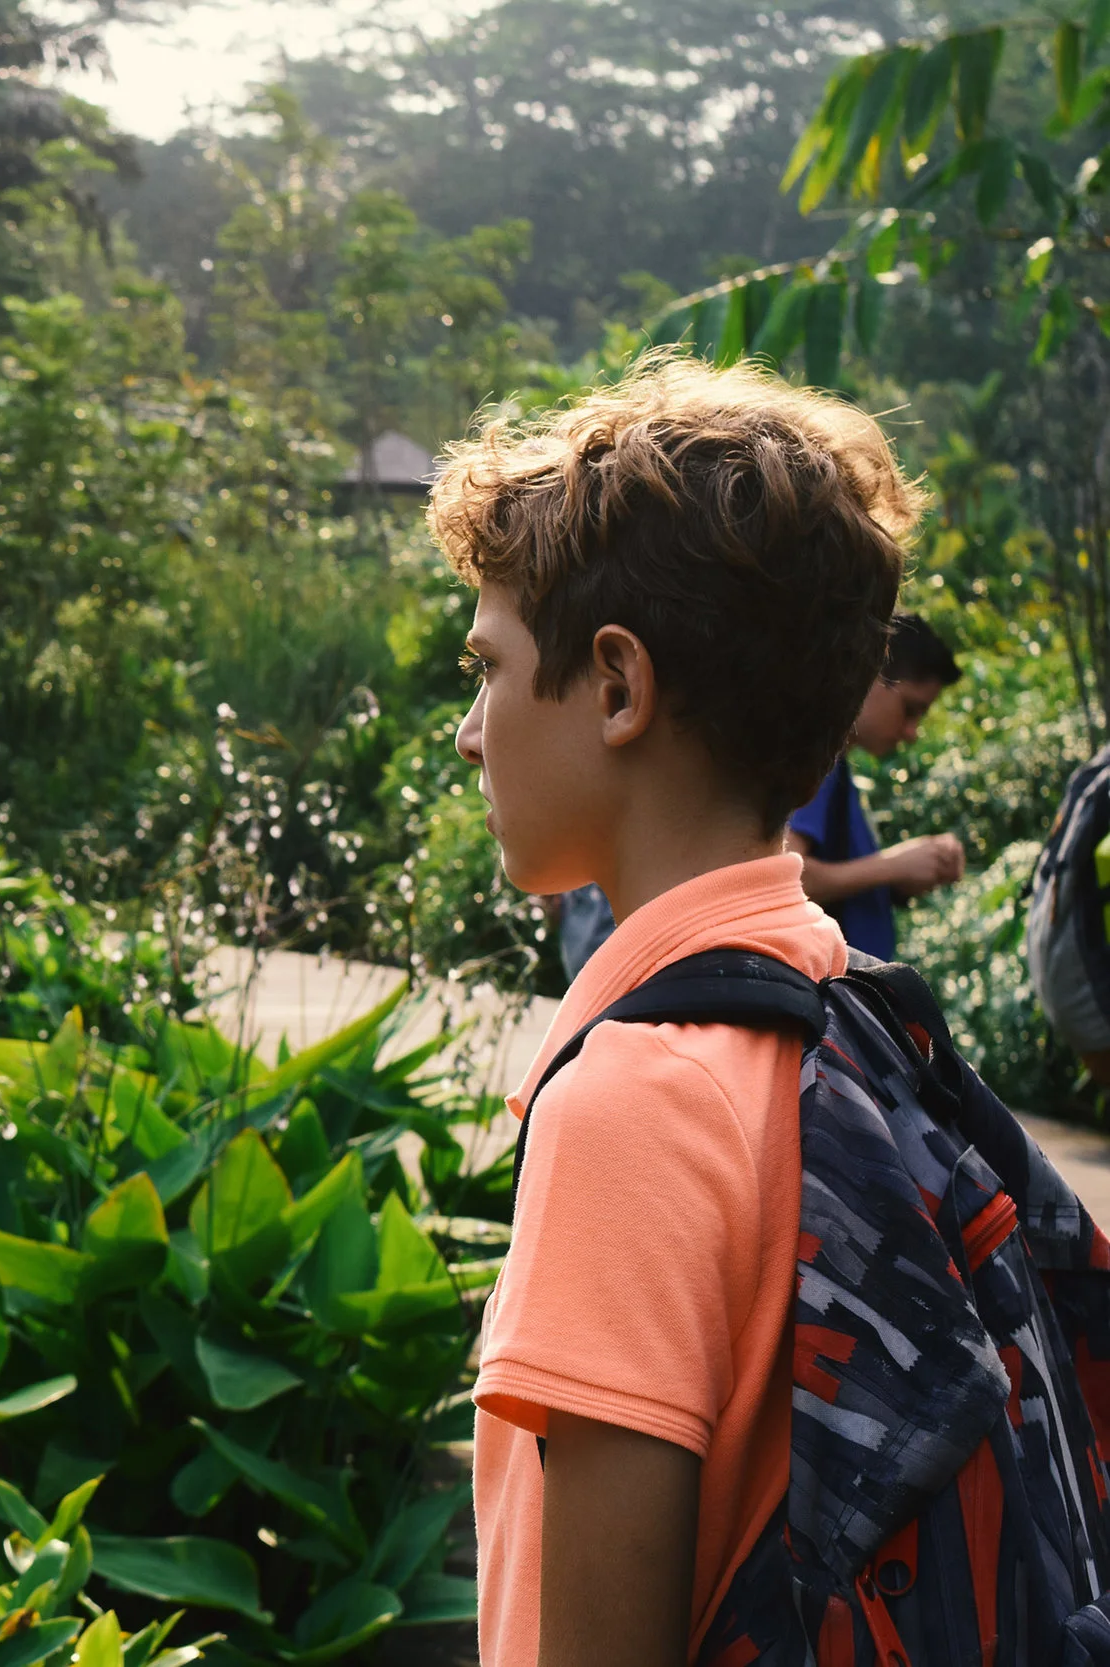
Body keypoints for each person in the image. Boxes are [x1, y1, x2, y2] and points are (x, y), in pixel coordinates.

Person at [430, 355, 923, 1666]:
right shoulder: (843, 1003)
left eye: (487, 666)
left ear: (616, 686)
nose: (469, 732)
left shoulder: (634, 1105)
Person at [784, 610, 965, 958]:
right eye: (910, 709)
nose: (911, 732)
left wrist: (899, 880)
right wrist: (893, 866)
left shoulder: (840, 770)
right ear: (871, 672)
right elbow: (789, 875)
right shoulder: (821, 760)